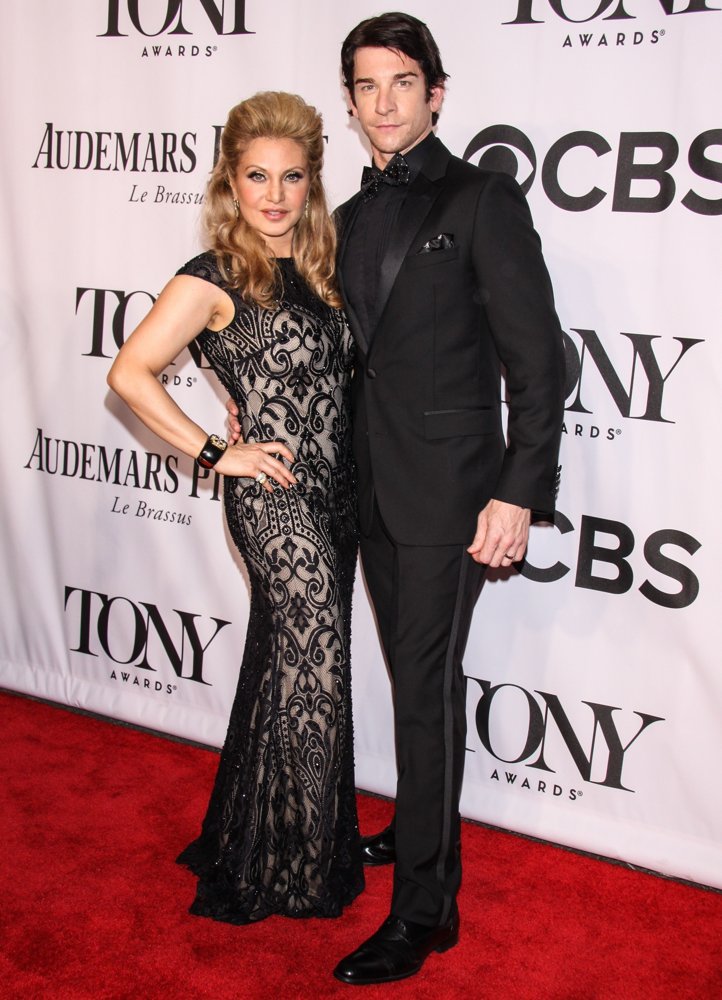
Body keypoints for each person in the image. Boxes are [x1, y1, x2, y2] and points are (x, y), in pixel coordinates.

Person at [332, 12, 565, 984]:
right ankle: (412, 824)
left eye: (401, 82)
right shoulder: (346, 216)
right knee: (409, 681)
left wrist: (519, 492)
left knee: (424, 694)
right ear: (350, 102)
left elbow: (538, 360)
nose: (383, 102)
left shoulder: (480, 199)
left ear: (434, 93)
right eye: (366, 85)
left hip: (451, 495)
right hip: (369, 490)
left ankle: (425, 912)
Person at [107, 91, 364, 924]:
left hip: (337, 497)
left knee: (288, 664)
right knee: (317, 669)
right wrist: (218, 453)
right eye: (257, 176)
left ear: (311, 181)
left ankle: (250, 837)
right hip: (275, 503)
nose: (275, 195)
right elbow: (130, 373)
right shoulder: (214, 276)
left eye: (291, 176)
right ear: (231, 182)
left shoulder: (325, 269)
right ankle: (295, 869)